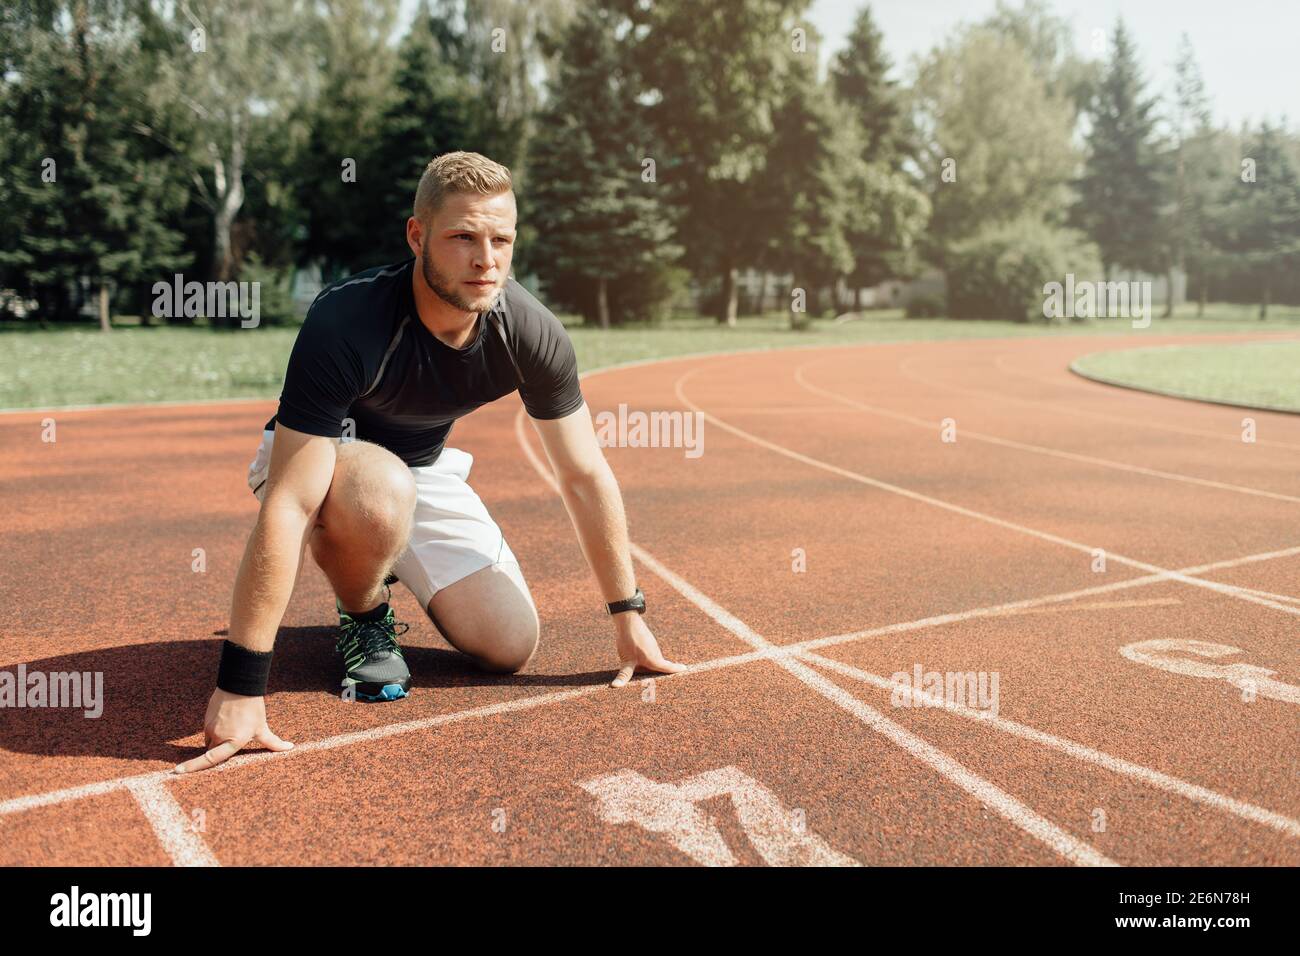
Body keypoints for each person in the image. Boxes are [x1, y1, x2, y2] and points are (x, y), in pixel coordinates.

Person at [175, 151, 684, 775]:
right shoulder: (347, 319)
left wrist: (627, 616)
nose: (485, 259)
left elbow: (583, 474)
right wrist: (242, 686)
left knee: (510, 646)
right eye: (462, 237)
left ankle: (379, 556)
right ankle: (363, 613)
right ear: (418, 236)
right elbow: (291, 500)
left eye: (501, 239)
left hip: (424, 468)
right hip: (322, 458)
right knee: (380, 491)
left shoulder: (531, 332)